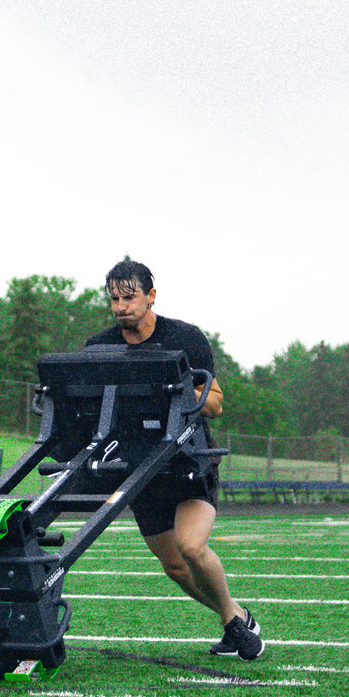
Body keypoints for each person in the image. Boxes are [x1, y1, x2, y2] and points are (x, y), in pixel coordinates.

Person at [85, 259, 265, 661]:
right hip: (139, 469)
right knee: (176, 568)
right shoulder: (100, 347)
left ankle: (235, 624)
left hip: (187, 459)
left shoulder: (184, 338)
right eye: (114, 299)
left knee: (191, 546)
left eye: (129, 297)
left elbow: (214, 400)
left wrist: (181, 400)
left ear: (151, 296)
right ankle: (235, 618)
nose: (120, 307)